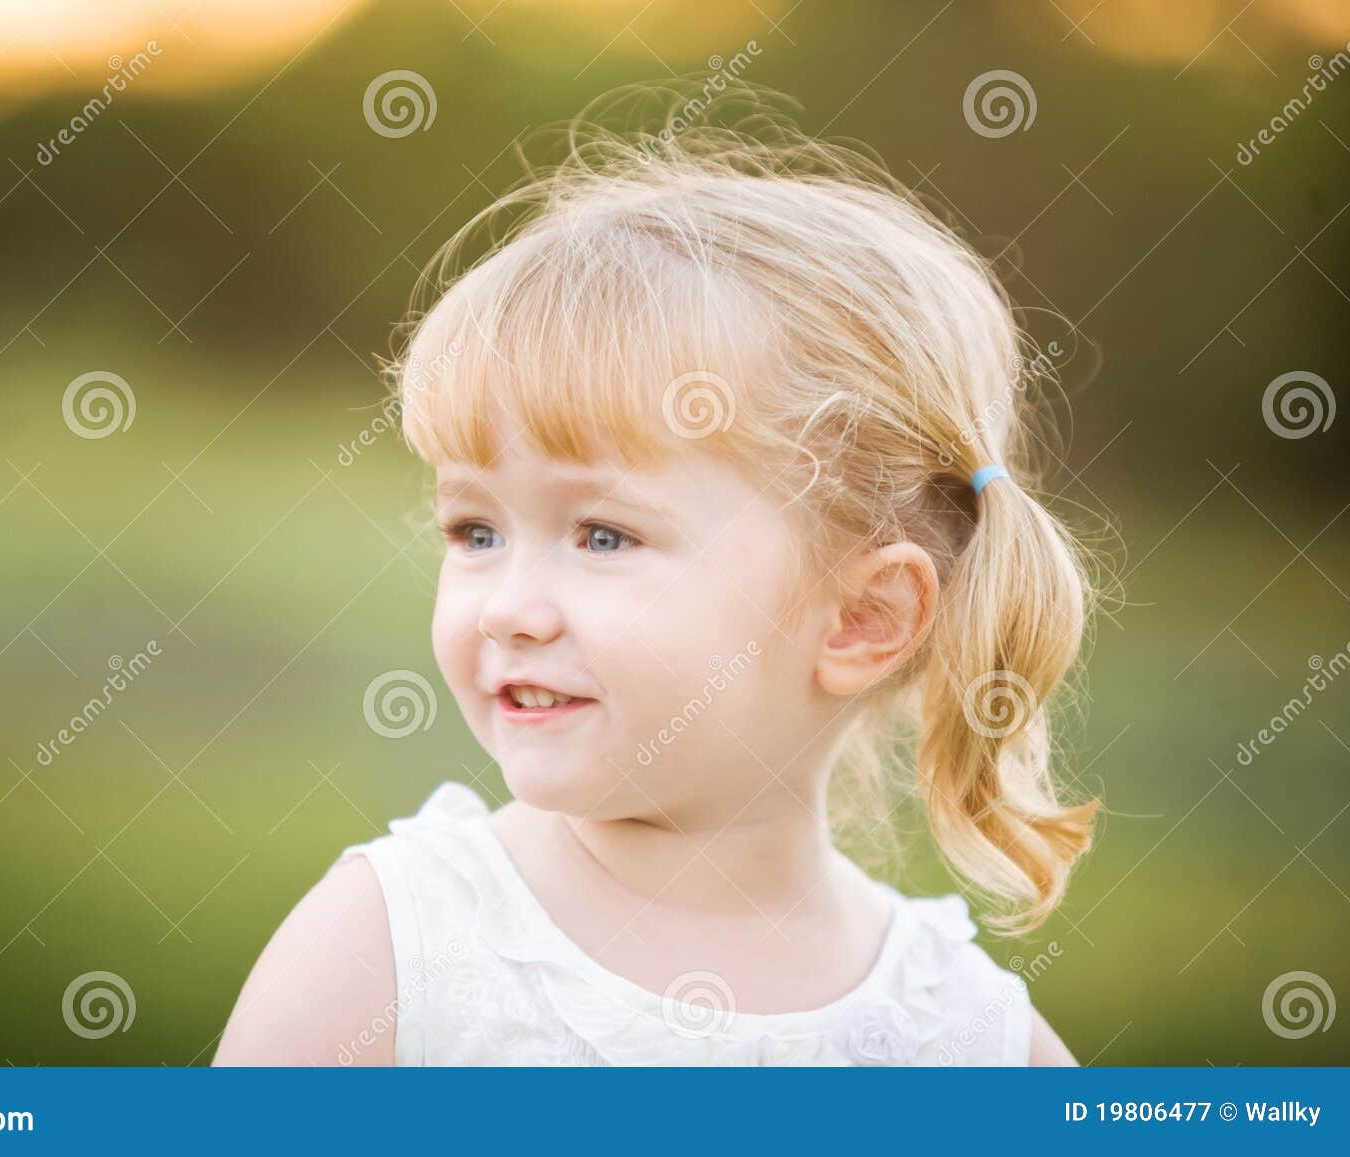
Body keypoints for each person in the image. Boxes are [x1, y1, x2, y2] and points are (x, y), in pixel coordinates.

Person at [214, 84, 1102, 1067]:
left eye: (602, 536)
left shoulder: (968, 1037)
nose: (507, 609)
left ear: (862, 616)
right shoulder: (390, 951)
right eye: (474, 529)